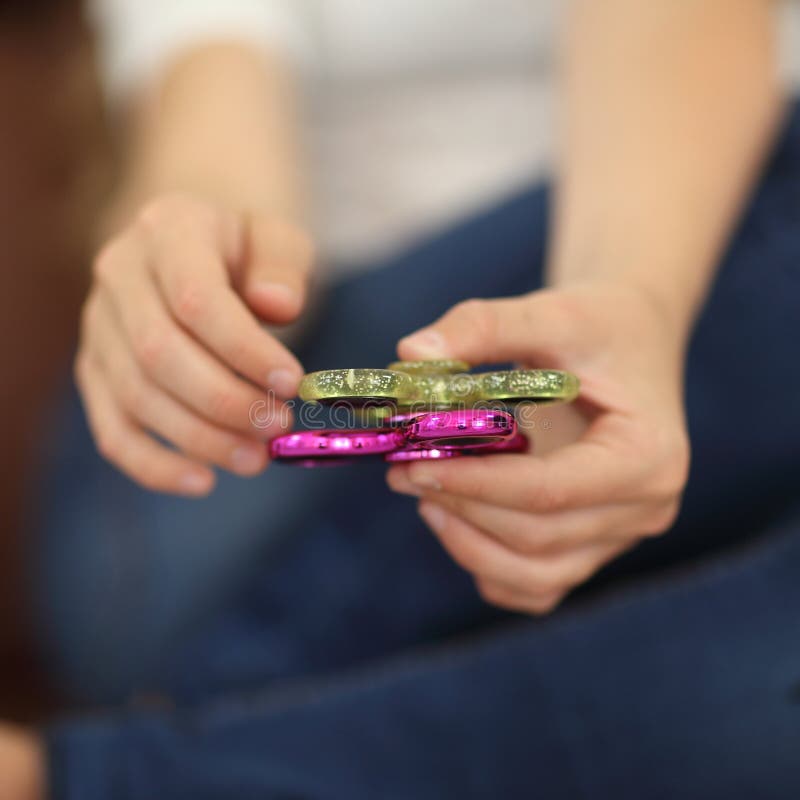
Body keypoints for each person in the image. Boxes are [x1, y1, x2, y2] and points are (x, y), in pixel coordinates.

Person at [3, 0, 800, 796]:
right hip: (228, 478)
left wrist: (626, 303)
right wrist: (206, 263)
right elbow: (215, 120)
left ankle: (121, 773)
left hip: (651, 324)